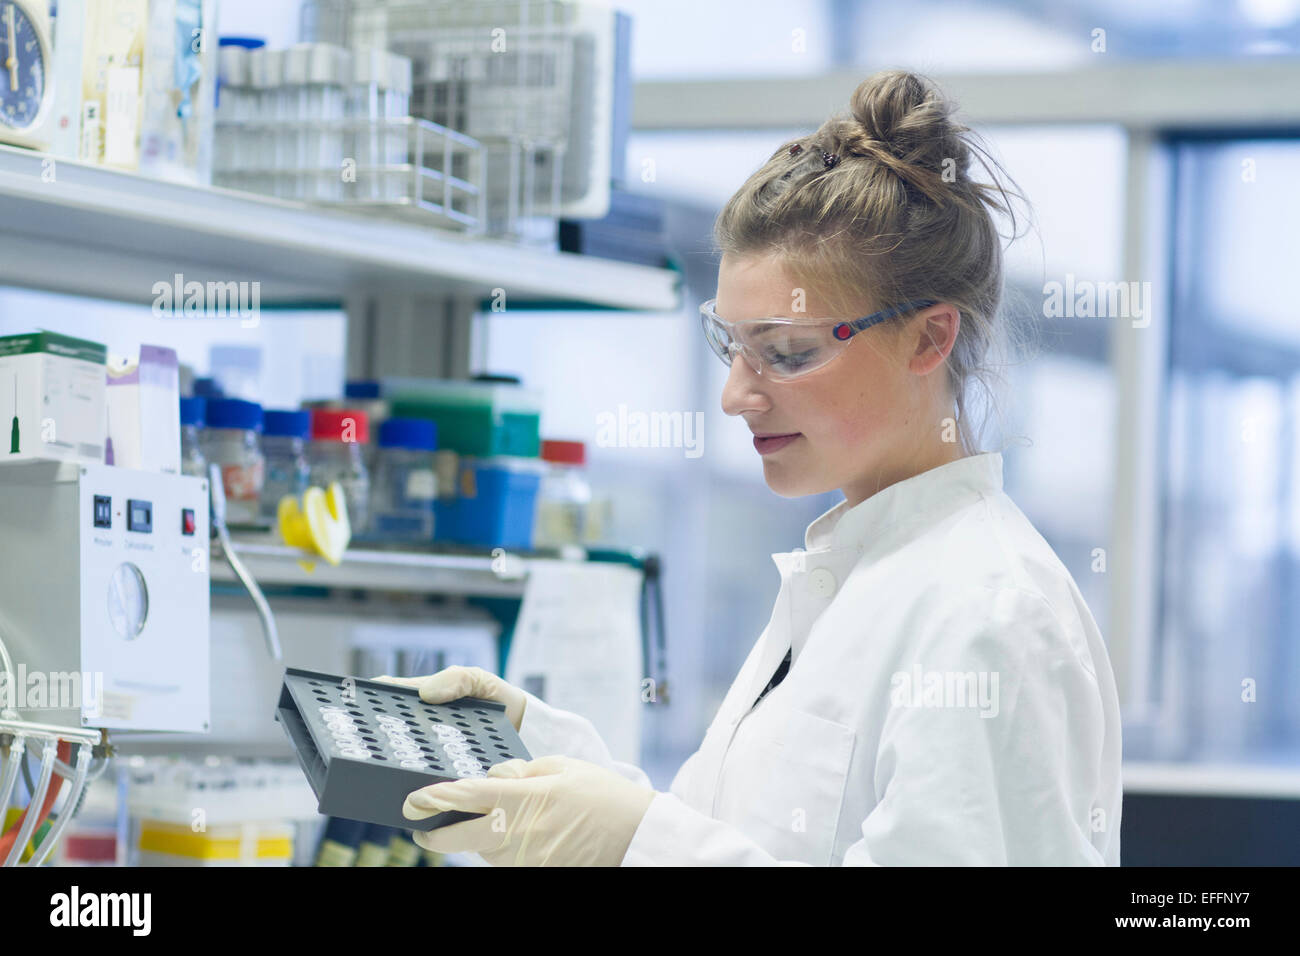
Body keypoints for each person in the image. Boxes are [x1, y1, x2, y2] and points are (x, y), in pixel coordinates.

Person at [378, 68, 1122, 866]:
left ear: (928, 339)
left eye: (788, 352)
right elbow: (737, 843)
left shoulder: (989, 614)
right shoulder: (855, 575)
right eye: (732, 347)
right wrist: (549, 756)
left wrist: (632, 844)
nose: (736, 396)